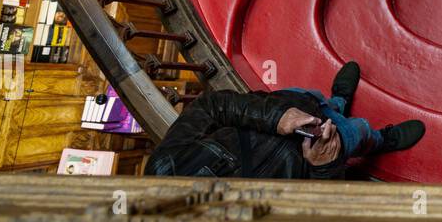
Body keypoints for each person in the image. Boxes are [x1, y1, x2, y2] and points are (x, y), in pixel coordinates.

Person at [144, 61, 425, 179]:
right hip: (315, 154)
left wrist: (277, 116)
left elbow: (211, 107)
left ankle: (338, 100)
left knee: (318, 100)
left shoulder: (163, 169)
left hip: (291, 107)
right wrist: (323, 166)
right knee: (359, 131)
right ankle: (379, 141)